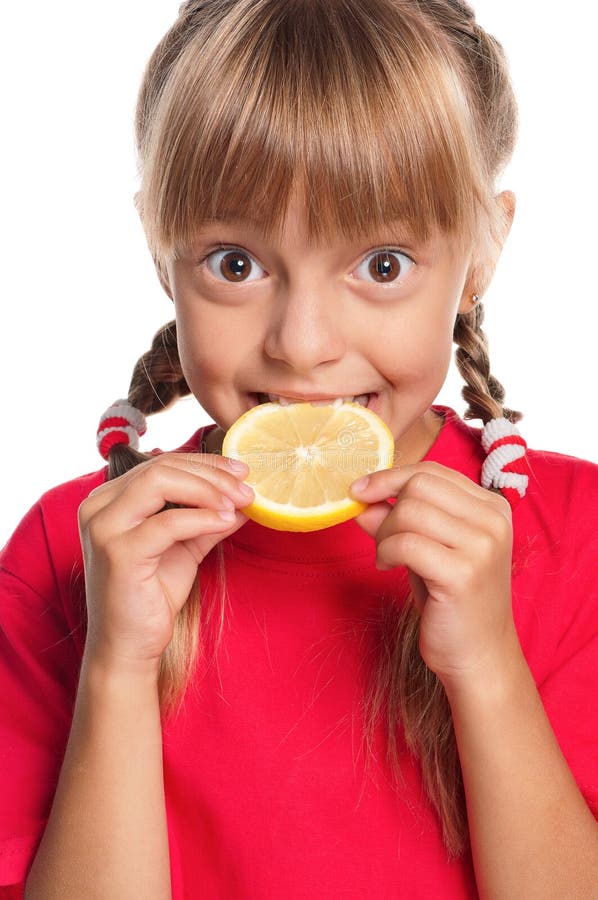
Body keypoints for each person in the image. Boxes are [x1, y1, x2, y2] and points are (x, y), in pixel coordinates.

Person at [1, 1, 597, 897]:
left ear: (480, 252)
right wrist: (118, 670)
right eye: (236, 264)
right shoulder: (72, 549)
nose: (303, 343)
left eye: (382, 264)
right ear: (163, 255)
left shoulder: (579, 538)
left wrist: (486, 665)